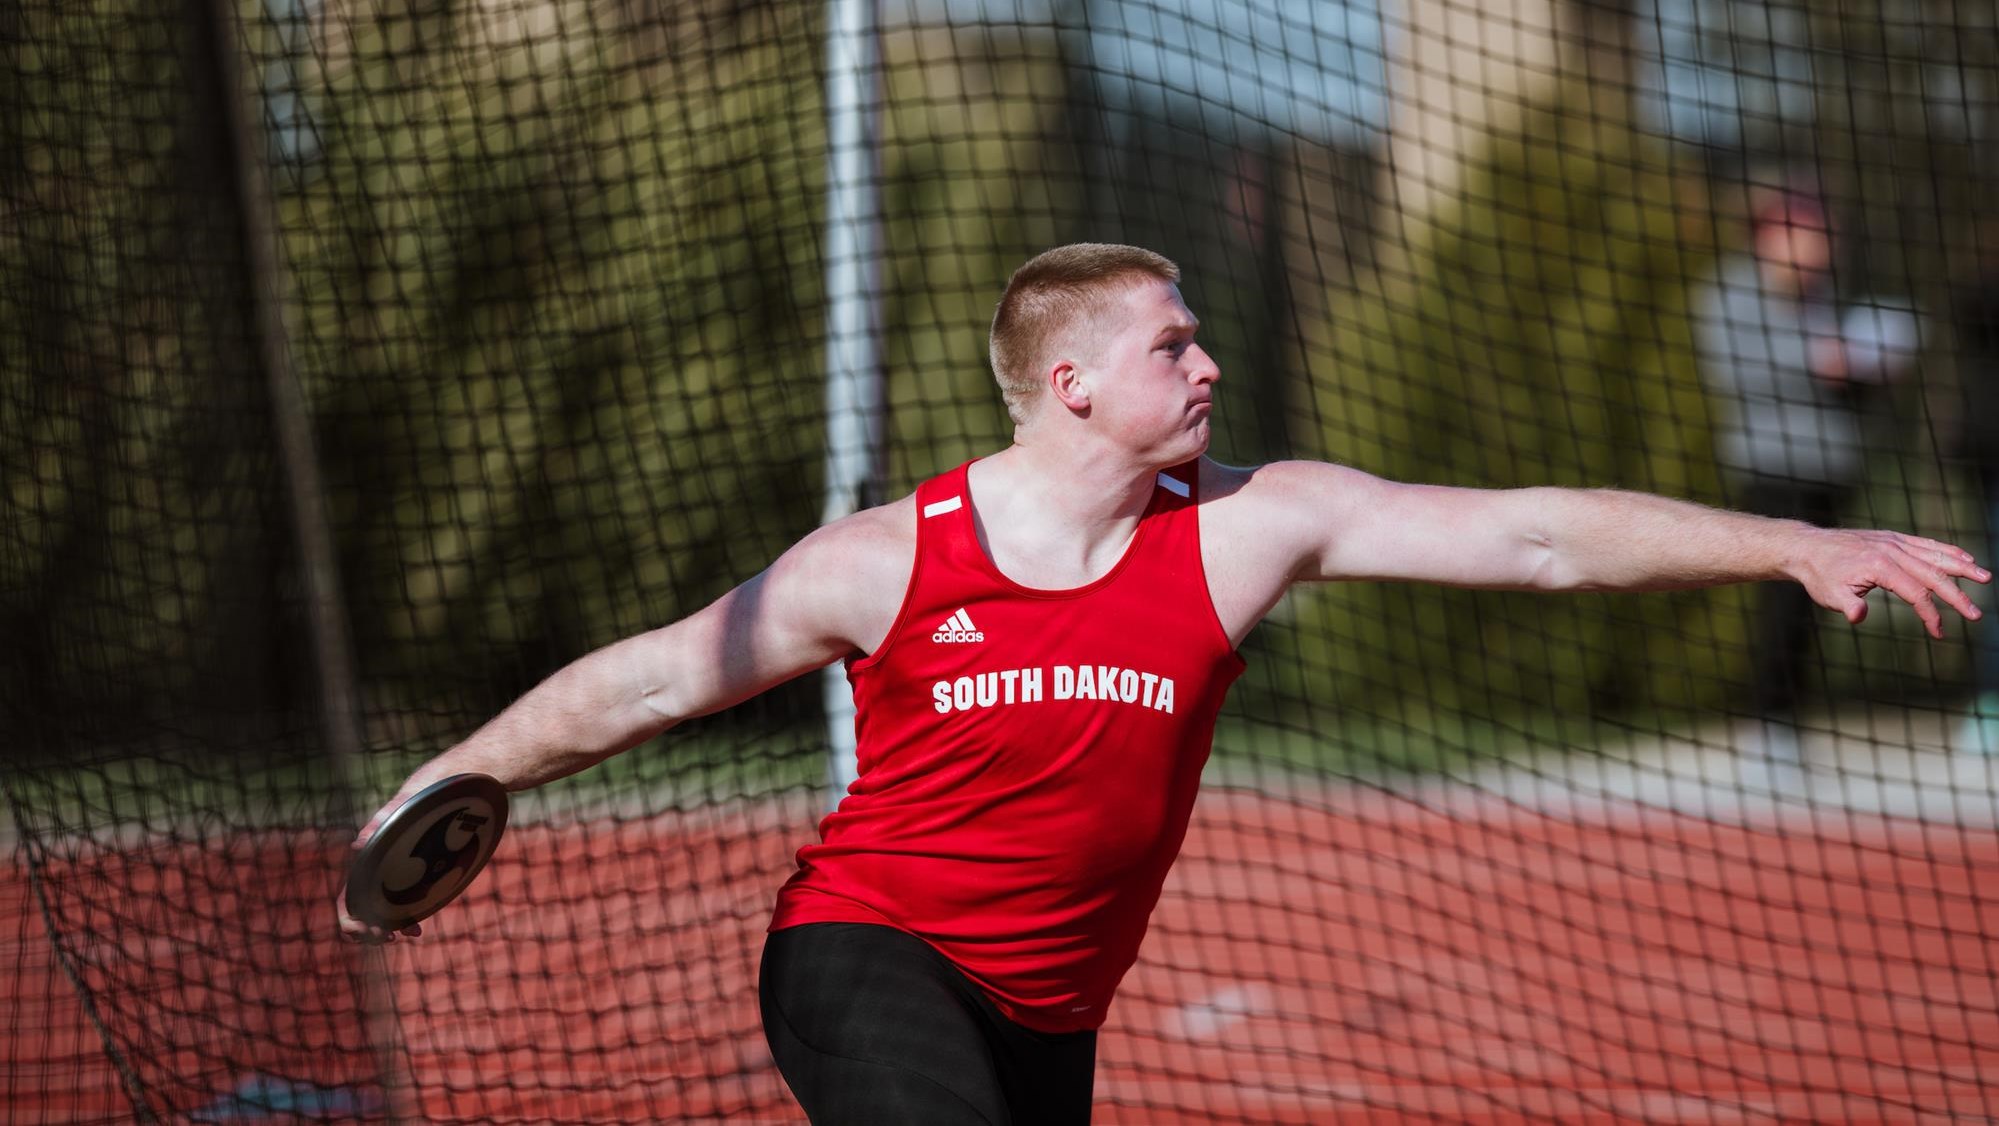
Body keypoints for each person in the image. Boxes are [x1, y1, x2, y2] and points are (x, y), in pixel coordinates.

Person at [338, 243, 1986, 1124]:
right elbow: (642, 686)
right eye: (1170, 347)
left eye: (1201, 343)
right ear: (1066, 381)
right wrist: (446, 780)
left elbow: (1537, 536)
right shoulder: (885, 556)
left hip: (1054, 1010)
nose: (1208, 366)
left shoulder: (1248, 527)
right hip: (864, 951)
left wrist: (1780, 541)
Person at [1693, 186, 1917, 762]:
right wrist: (1823, 362)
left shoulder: (1827, 297)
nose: (1817, 249)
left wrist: (1863, 364)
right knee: (1779, 602)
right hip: (1771, 465)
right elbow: (1738, 369)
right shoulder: (1732, 292)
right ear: (1770, 234)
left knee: (1819, 598)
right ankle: (1769, 721)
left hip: (1830, 466)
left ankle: (1787, 719)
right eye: (1805, 234)